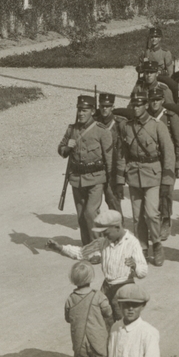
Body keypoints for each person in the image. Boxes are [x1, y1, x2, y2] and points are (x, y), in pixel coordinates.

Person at [50, 209, 147, 318]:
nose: (105, 236)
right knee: (103, 318)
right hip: (106, 288)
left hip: (124, 289)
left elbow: (143, 271)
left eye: (106, 233)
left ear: (117, 227)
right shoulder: (103, 243)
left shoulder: (132, 243)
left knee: (123, 321)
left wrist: (136, 265)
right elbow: (82, 253)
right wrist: (60, 248)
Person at [114, 93, 175, 266]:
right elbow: (121, 154)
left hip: (153, 173)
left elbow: (168, 154)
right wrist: (120, 180)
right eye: (133, 105)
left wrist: (167, 182)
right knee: (137, 216)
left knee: (151, 213)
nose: (135, 108)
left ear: (146, 105)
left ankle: (156, 244)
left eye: (139, 105)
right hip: (134, 174)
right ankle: (142, 249)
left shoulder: (158, 126)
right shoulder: (127, 126)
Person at [59, 95, 114, 245]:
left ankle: (97, 246)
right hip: (77, 178)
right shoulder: (72, 130)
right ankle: (87, 245)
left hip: (96, 178)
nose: (81, 113)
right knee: (82, 215)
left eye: (85, 110)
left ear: (92, 111)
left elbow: (109, 158)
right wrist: (67, 148)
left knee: (90, 212)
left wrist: (110, 181)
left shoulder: (101, 131)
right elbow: (61, 150)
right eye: (79, 110)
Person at [64, 260, 113, 357]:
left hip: (79, 341)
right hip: (97, 339)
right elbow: (108, 312)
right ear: (91, 278)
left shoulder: (70, 299)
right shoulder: (98, 296)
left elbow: (68, 318)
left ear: (73, 279)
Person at [146, 88, 179, 239]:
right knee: (151, 194)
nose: (154, 103)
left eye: (157, 100)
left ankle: (166, 221)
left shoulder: (170, 117)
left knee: (166, 192)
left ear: (162, 100)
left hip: (167, 161)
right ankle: (154, 222)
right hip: (151, 162)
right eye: (152, 100)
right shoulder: (145, 116)